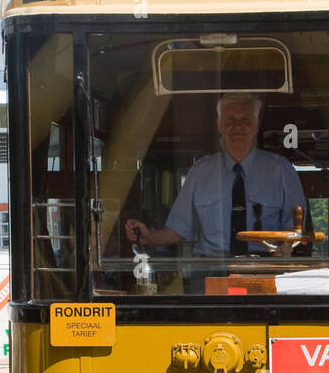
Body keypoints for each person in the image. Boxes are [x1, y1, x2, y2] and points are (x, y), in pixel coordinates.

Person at [125, 93, 306, 258]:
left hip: (264, 270)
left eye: (246, 120)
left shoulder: (281, 170)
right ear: (219, 125)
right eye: (230, 121)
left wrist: (284, 249)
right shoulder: (200, 172)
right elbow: (178, 230)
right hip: (210, 272)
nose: (238, 127)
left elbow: (296, 230)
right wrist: (149, 238)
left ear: (256, 124)